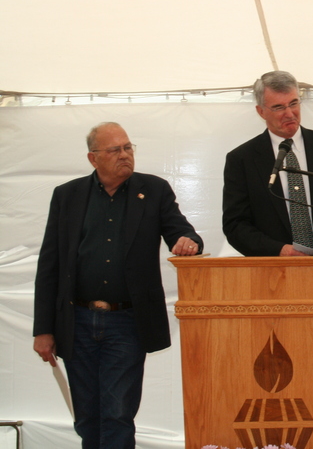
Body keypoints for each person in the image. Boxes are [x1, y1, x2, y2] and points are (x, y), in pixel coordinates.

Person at [33, 122, 203, 449]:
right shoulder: (67, 196)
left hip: (126, 323)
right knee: (86, 416)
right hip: (77, 322)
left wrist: (188, 241)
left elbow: (182, 232)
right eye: (115, 150)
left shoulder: (154, 190)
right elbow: (49, 265)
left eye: (128, 147)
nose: (125, 155)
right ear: (93, 158)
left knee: (117, 413)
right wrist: (43, 328)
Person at [222, 70, 313, 256]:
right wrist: (278, 250)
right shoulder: (241, 159)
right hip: (273, 272)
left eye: (294, 103)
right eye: (279, 107)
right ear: (261, 111)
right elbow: (235, 225)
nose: (290, 113)